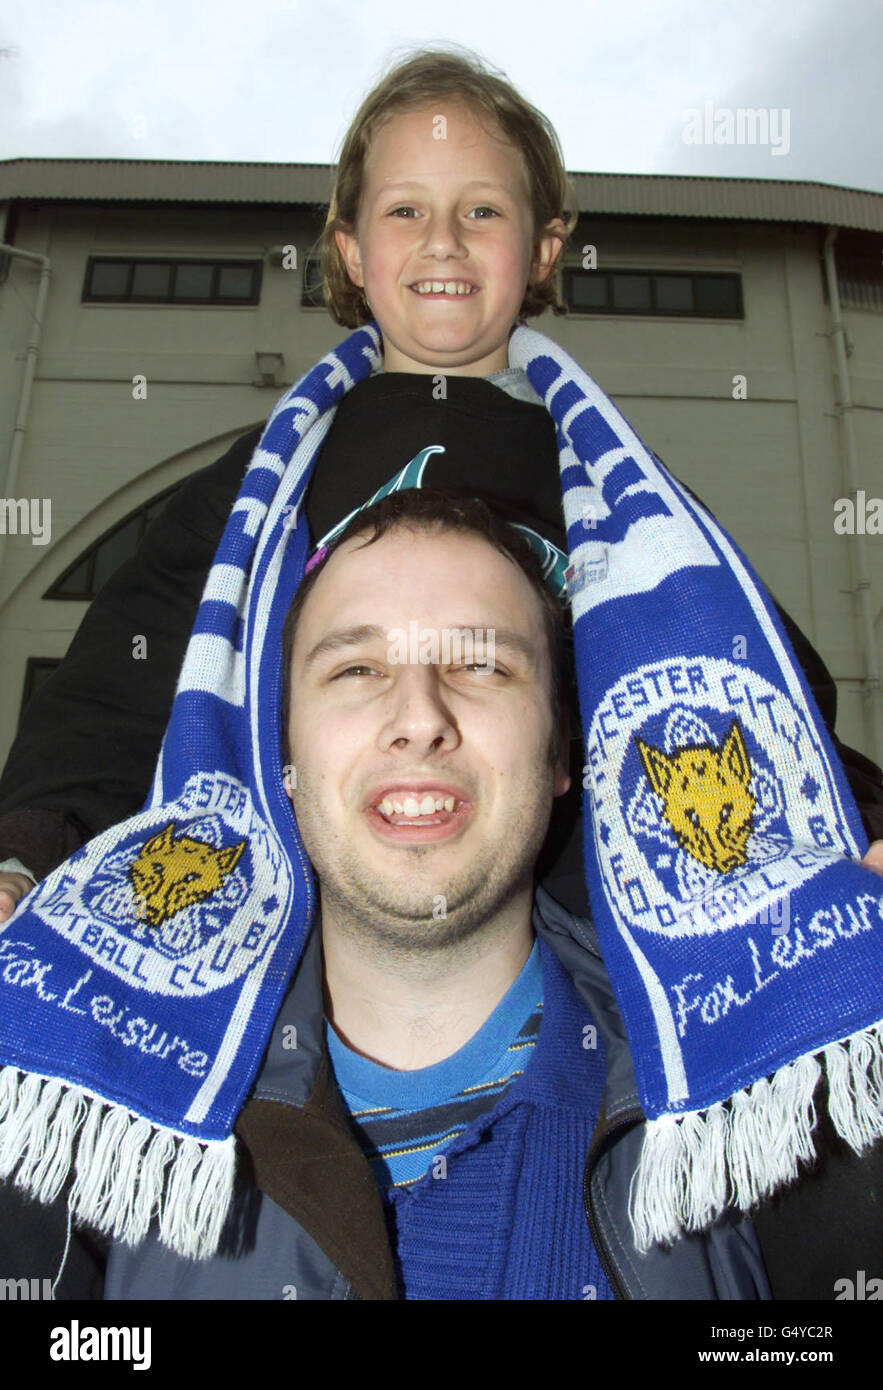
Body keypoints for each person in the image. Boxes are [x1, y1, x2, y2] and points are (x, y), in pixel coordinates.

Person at [0, 45, 881, 1300]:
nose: (444, 241)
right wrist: (24, 849)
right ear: (350, 249)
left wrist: (865, 830)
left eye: (483, 210)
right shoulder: (264, 485)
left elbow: (750, 699)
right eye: (404, 210)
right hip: (305, 955)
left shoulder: (618, 491)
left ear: (546, 244)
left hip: (596, 970)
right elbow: (114, 685)